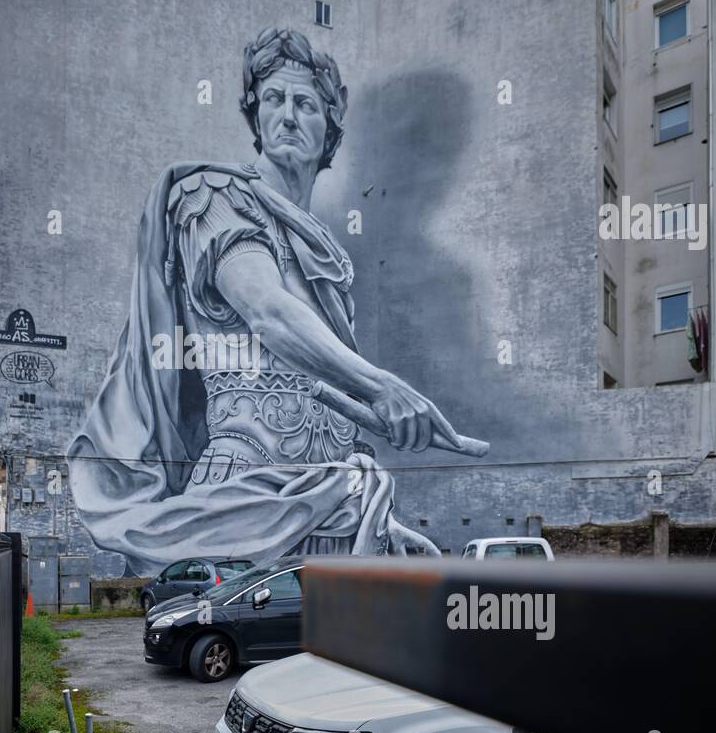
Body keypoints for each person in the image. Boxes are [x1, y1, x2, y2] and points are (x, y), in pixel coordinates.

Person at [68, 28, 480, 573]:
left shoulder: (324, 255)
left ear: (329, 129)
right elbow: (267, 309)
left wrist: (378, 519)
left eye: (305, 104)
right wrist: (384, 386)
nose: (287, 115)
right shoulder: (213, 195)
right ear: (256, 119)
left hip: (331, 514)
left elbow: (322, 398)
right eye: (273, 100)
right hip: (243, 502)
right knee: (238, 654)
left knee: (329, 657)